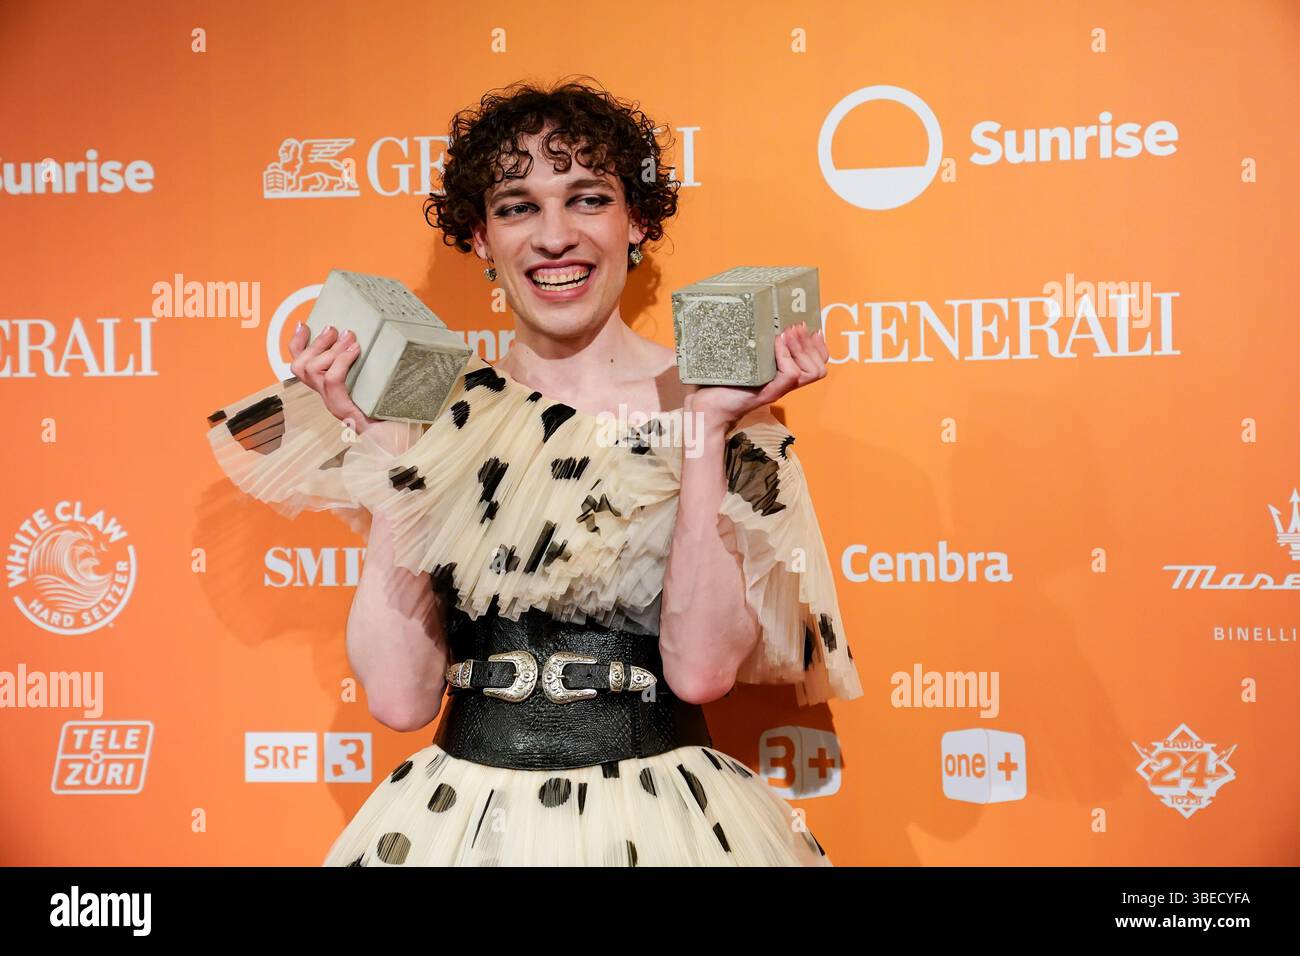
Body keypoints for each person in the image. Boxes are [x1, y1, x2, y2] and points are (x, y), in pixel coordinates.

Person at [204, 76, 863, 866]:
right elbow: (399, 697)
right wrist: (388, 451)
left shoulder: (721, 407)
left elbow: (702, 672)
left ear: (637, 221)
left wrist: (709, 427)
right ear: (481, 238)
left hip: (663, 825)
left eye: (588, 199)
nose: (554, 236)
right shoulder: (427, 415)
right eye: (518, 206)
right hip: (469, 825)